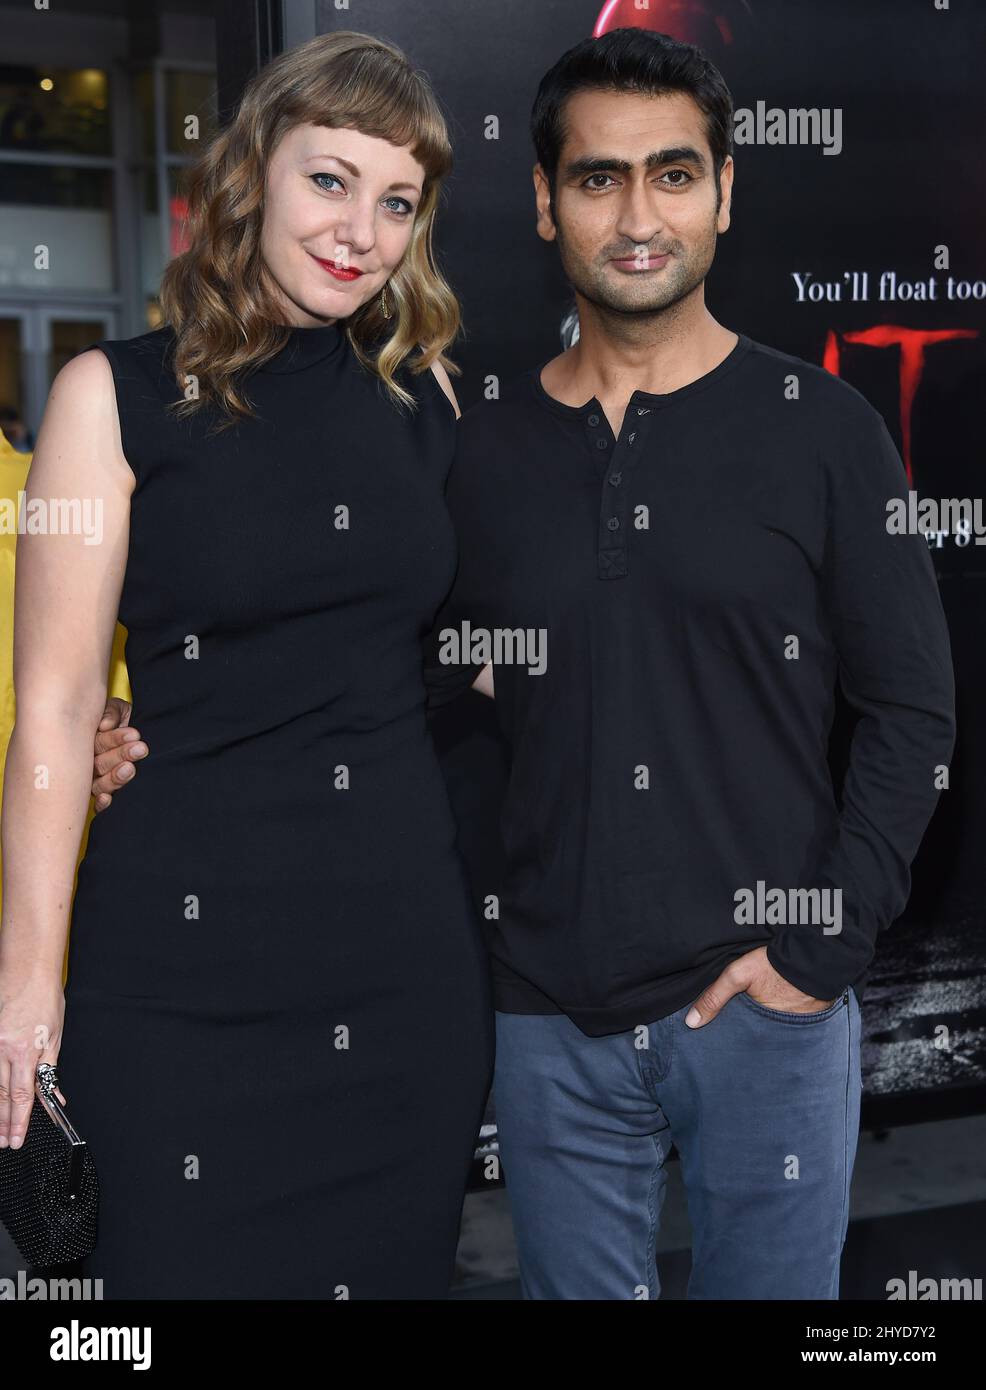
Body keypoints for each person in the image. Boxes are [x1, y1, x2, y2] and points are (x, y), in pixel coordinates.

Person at [88, 28, 957, 1302]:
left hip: (764, 1014)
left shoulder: (820, 429)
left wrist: (817, 950)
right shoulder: (468, 435)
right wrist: (157, 724)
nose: (638, 214)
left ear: (725, 191)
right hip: (540, 1024)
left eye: (672, 174)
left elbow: (912, 709)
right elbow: (378, 663)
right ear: (544, 204)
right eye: (598, 179)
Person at [0, 31, 493, 1300]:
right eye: (328, 181)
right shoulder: (110, 398)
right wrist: (25, 990)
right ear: (251, 175)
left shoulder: (427, 397)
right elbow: (52, 710)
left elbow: (446, 651)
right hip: (174, 979)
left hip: (398, 973)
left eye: (397, 201)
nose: (360, 231)